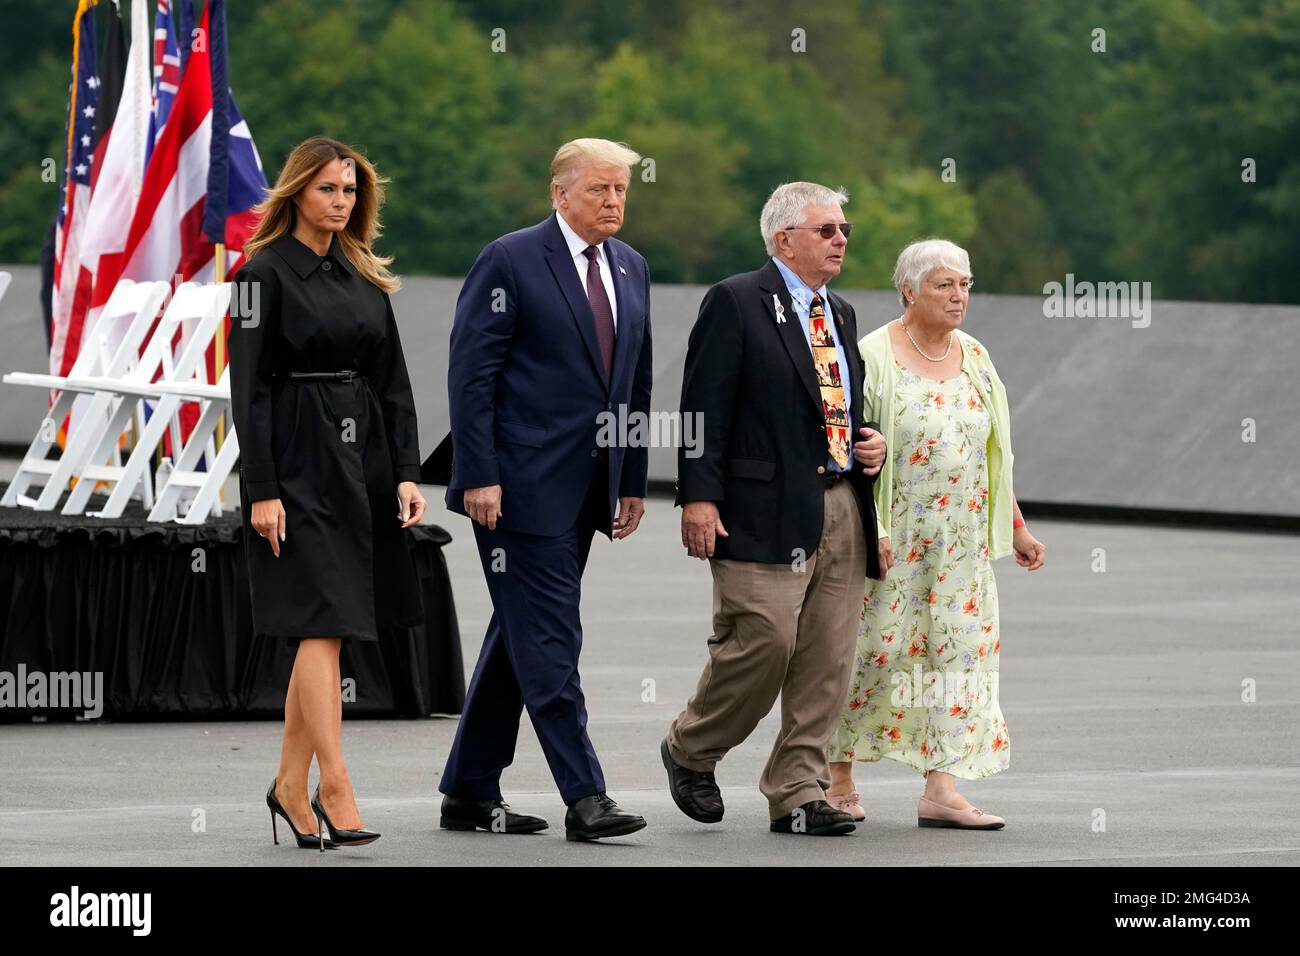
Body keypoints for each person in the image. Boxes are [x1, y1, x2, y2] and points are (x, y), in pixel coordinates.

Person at [432, 138, 652, 842]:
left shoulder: (631, 267)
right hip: (517, 488)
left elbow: (634, 385)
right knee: (551, 637)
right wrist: (480, 474)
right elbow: (471, 378)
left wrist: (632, 478)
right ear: (560, 194)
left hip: (590, 487)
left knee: (519, 635)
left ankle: (469, 789)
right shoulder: (511, 259)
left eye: (621, 189)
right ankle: (586, 795)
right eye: (599, 189)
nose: (614, 201)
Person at [663, 182, 887, 836]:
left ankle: (798, 790)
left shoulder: (840, 312)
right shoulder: (735, 302)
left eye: (844, 229)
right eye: (826, 229)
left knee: (827, 655)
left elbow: (832, 407)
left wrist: (866, 439)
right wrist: (699, 496)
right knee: (764, 639)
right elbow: (702, 409)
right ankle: (691, 748)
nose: (841, 239)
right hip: (758, 507)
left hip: (842, 503)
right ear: (783, 237)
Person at [229, 136, 427, 851]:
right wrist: (261, 488)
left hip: (362, 460)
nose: (339, 202)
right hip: (294, 459)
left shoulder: (364, 272)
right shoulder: (259, 275)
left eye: (348, 191)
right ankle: (334, 784)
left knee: (332, 624)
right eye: (326, 190)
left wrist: (405, 471)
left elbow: (395, 384)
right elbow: (245, 390)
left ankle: (289, 785)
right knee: (321, 619)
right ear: (296, 194)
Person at [826, 238, 1046, 830]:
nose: (958, 296)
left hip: (962, 547)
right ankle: (837, 773)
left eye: (965, 285)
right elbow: (845, 449)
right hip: (890, 539)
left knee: (959, 659)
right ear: (910, 290)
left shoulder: (975, 354)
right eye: (945, 285)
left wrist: (1017, 527)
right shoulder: (871, 354)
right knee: (874, 653)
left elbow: (992, 455)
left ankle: (942, 790)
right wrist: (867, 529)